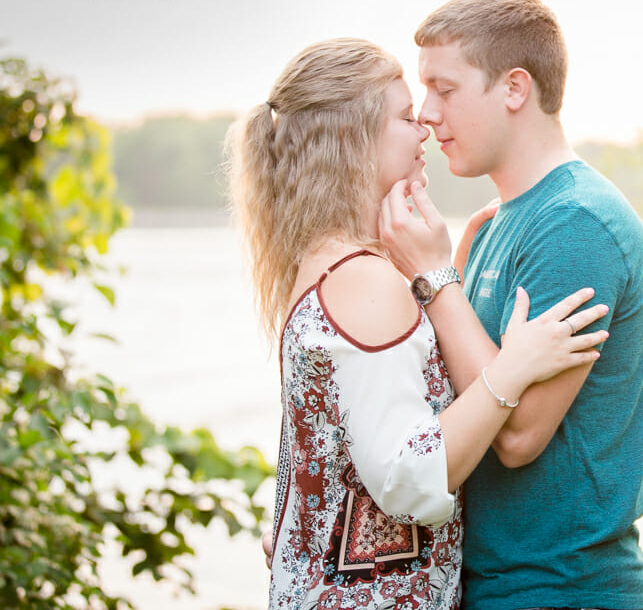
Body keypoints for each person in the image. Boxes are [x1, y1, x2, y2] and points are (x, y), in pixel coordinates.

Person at [227, 38, 610, 610]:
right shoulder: (366, 281)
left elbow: (340, 445)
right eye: (406, 117)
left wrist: (445, 273)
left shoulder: (325, 262)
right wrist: (514, 366)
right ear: (353, 142)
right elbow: (410, 480)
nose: (425, 127)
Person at [379, 0, 643, 610]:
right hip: (496, 585)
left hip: (562, 590)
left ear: (513, 89)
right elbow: (451, 402)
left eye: (444, 90)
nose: (426, 113)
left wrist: (434, 278)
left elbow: (519, 434)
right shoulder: (500, 222)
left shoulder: (577, 225)